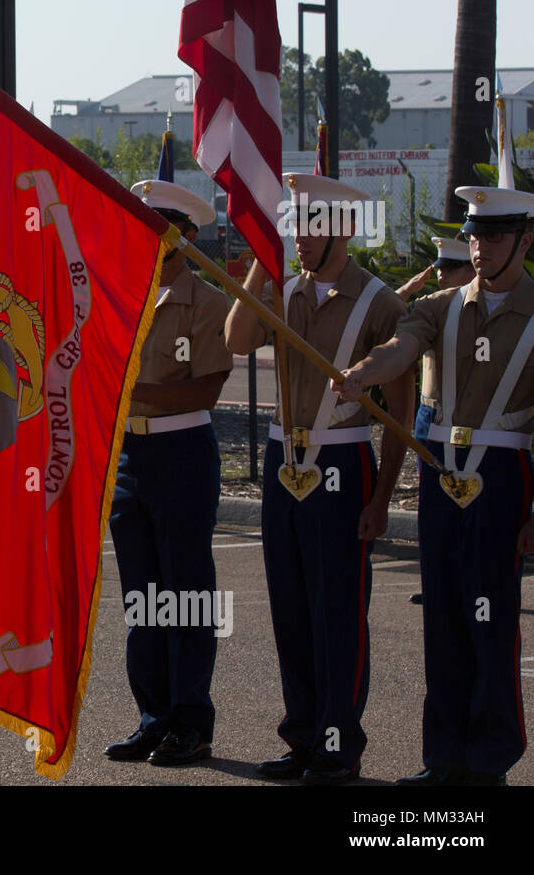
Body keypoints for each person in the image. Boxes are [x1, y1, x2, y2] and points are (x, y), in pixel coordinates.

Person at [333, 183, 534, 786]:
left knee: (491, 618)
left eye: (493, 236)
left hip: (502, 476)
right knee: (444, 618)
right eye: (473, 236)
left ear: (525, 240)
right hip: (442, 471)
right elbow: (401, 348)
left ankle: (490, 758)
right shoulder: (442, 306)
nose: (479, 248)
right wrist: (360, 374)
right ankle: (443, 756)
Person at [224, 173, 414, 785]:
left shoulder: (381, 303)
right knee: (292, 609)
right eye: (293, 226)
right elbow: (235, 339)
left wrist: (381, 496)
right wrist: (260, 260)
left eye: (310, 227)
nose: (299, 239)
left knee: (337, 612)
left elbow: (401, 413)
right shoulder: (283, 290)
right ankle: (303, 736)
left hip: (341, 462)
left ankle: (339, 744)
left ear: (343, 231)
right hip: (285, 460)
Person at [104, 180, 232, 766]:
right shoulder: (121, 292)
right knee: (144, 598)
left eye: (157, 226)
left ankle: (191, 722)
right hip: (130, 457)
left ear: (183, 234)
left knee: (186, 596)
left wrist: (133, 389)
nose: (145, 235)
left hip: (182, 455)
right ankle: (153, 718)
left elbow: (206, 388)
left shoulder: (206, 303)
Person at [400, 237, 474, 606]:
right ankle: (435, 583)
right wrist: (410, 288)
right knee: (431, 503)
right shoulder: (430, 308)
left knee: (467, 506)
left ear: (470, 271)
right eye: (440, 268)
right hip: (430, 415)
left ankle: (467, 583)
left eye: (450, 268)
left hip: (465, 418)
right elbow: (382, 319)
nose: (442, 275)